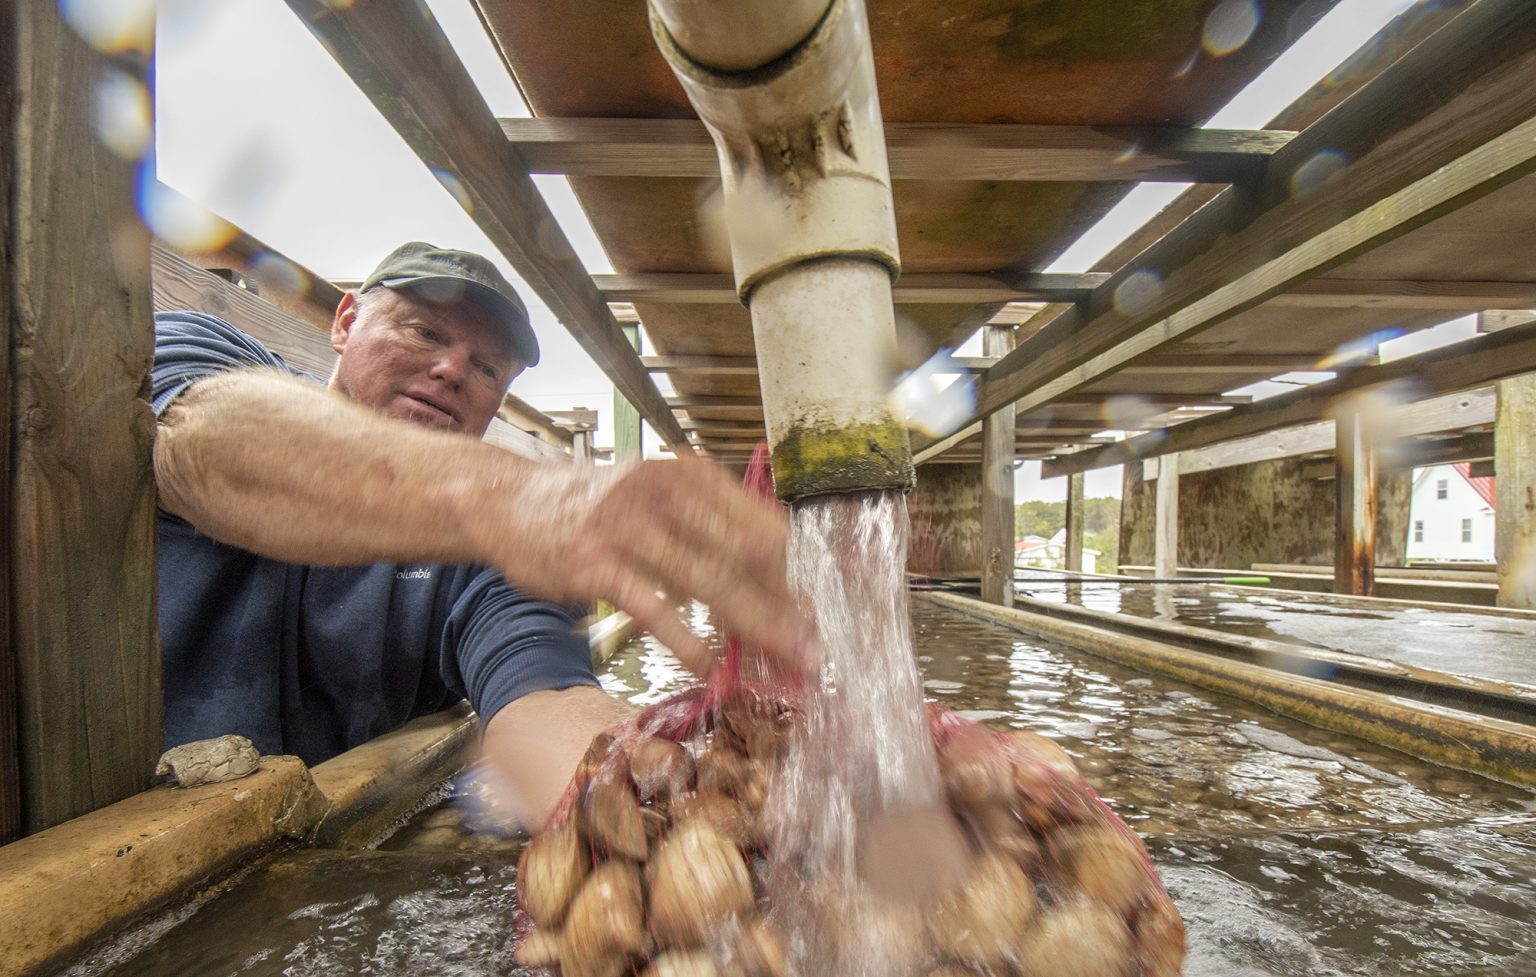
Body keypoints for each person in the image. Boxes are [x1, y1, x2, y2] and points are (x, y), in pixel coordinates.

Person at [153, 241, 808, 827]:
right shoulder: (209, 361)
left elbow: (546, 697)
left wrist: (686, 796)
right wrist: (512, 496)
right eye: (424, 330)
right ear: (346, 321)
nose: (453, 370)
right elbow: (204, 443)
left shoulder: (502, 553)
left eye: (489, 368)